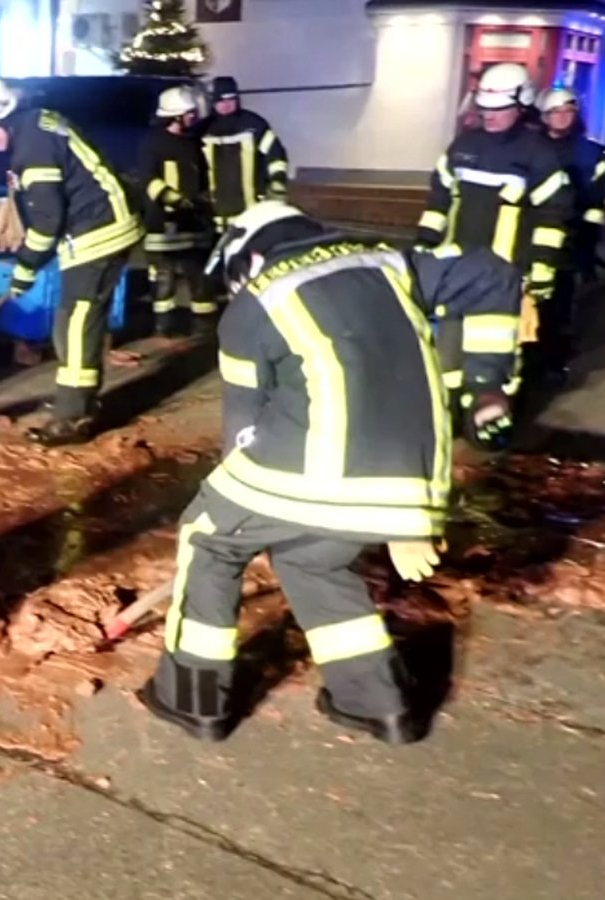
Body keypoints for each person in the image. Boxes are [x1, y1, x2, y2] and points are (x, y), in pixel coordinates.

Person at [140, 202, 521, 745]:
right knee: (311, 560)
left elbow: (243, 431)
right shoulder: (392, 263)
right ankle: (378, 704)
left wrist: (229, 504)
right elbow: (496, 275)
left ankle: (193, 701)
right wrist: (487, 383)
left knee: (208, 537)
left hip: (312, 471)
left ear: (248, 257)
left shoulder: (254, 303)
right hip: (414, 483)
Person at [0, 76, 143, 447]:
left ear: (4, 119)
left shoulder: (32, 150)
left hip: (100, 231)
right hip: (96, 225)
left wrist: (24, 268)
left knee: (75, 325)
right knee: (71, 323)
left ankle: (72, 418)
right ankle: (75, 401)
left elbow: (47, 223)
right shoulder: (35, 123)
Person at [417, 63, 570, 409]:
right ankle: (449, 412)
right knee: (448, 349)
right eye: (484, 108)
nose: (489, 116)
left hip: (503, 273)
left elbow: (553, 216)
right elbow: (438, 201)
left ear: (522, 105)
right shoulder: (463, 147)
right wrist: (424, 249)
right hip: (454, 268)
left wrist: (542, 270)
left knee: (497, 354)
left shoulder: (538, 154)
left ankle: (491, 419)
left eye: (498, 109)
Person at [534, 88, 605, 383]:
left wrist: (587, 246)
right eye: (556, 112)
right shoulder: (530, 147)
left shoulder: (590, 153)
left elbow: (596, 204)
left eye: (568, 112)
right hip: (534, 235)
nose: (562, 118)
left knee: (559, 306)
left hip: (569, 240)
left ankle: (553, 362)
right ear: (544, 116)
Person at [140, 85, 216, 337]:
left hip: (192, 223)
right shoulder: (154, 142)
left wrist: (205, 201)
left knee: (199, 277)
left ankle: (204, 326)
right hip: (164, 225)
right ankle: (165, 327)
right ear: (175, 115)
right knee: (165, 279)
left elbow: (202, 176)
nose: (194, 117)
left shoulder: (191, 142)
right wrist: (173, 199)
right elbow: (146, 177)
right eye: (189, 113)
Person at [201, 76, 290, 230]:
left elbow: (275, 154)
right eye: (221, 101)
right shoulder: (204, 130)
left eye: (231, 99)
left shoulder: (254, 125)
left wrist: (278, 179)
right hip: (214, 215)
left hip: (252, 210)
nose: (227, 105)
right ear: (213, 102)